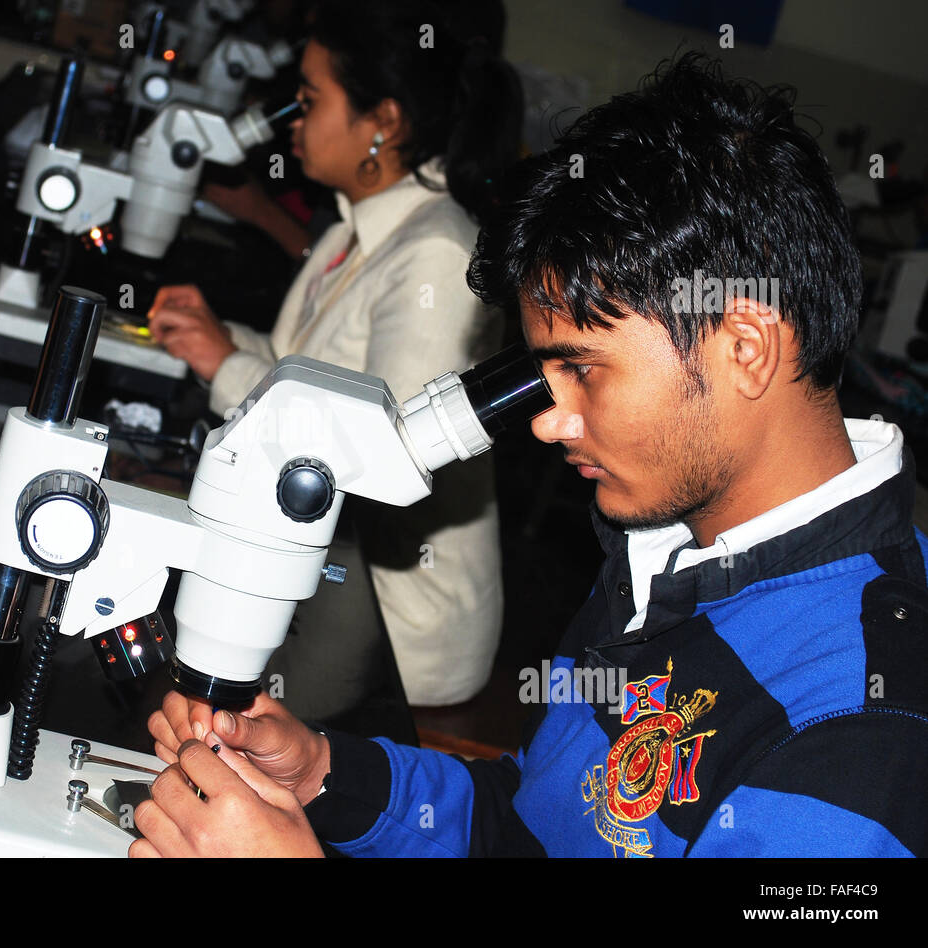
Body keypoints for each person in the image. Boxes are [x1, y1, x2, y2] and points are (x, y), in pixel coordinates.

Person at [129, 53, 928, 857]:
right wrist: (326, 776)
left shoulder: (863, 720)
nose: (549, 424)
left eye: (581, 369)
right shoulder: (667, 550)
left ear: (746, 347)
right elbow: (532, 821)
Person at [147, 0, 523, 706]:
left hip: (395, 623)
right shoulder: (356, 226)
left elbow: (389, 461)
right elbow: (306, 372)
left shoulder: (438, 253)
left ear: (383, 121)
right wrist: (217, 336)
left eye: (311, 99)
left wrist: (225, 364)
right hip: (325, 566)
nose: (293, 117)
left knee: (174, 698)